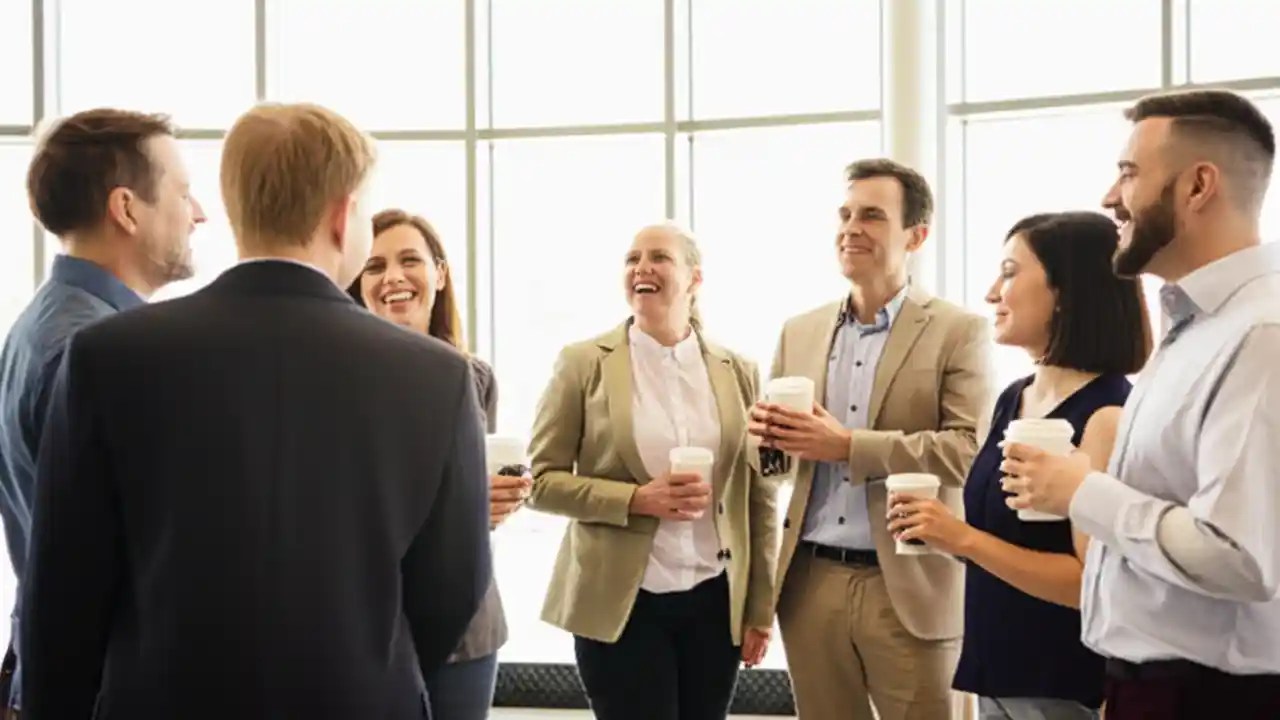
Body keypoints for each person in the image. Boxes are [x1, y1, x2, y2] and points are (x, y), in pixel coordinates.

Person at [19, 102, 491, 719]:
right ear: (344, 216)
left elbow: (62, 596)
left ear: (237, 208)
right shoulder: (436, 376)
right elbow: (452, 592)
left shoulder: (109, 356)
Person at [1003, 89, 1280, 719]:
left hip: (1213, 697)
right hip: (1148, 686)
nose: (1109, 197)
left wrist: (1083, 491)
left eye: (1128, 173)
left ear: (1198, 185)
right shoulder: (1195, 328)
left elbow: (1239, 558)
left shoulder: (1260, 334)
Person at [748, 158, 992, 720]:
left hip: (910, 583)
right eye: (845, 214)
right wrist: (763, 440)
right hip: (810, 583)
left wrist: (848, 446)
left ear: (917, 235)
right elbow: (773, 468)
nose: (851, 228)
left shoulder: (959, 331)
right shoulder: (799, 330)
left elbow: (968, 450)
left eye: (873, 216)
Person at [887, 211, 1151, 720]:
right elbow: (1006, 547)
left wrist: (961, 538)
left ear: (1066, 293)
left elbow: (1087, 583)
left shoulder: (1107, 417)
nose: (992, 293)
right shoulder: (1013, 398)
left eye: (1010, 272)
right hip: (998, 673)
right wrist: (942, 534)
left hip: (1063, 685)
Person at [526, 221, 778, 720]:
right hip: (622, 606)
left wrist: (760, 609)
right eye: (631, 258)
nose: (642, 267)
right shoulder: (582, 363)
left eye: (658, 257)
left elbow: (760, 493)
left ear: (694, 279)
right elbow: (541, 482)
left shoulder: (738, 369)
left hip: (714, 602)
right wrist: (636, 500)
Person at [0, 107, 206, 716]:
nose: (199, 213)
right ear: (126, 208)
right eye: (184, 193)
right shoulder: (93, 352)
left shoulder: (43, 325)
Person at [350, 208, 527, 719]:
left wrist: (495, 503)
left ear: (441, 274)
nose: (393, 278)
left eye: (410, 260)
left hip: (468, 631)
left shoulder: (475, 377)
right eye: (375, 266)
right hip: (369, 622)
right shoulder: (338, 376)